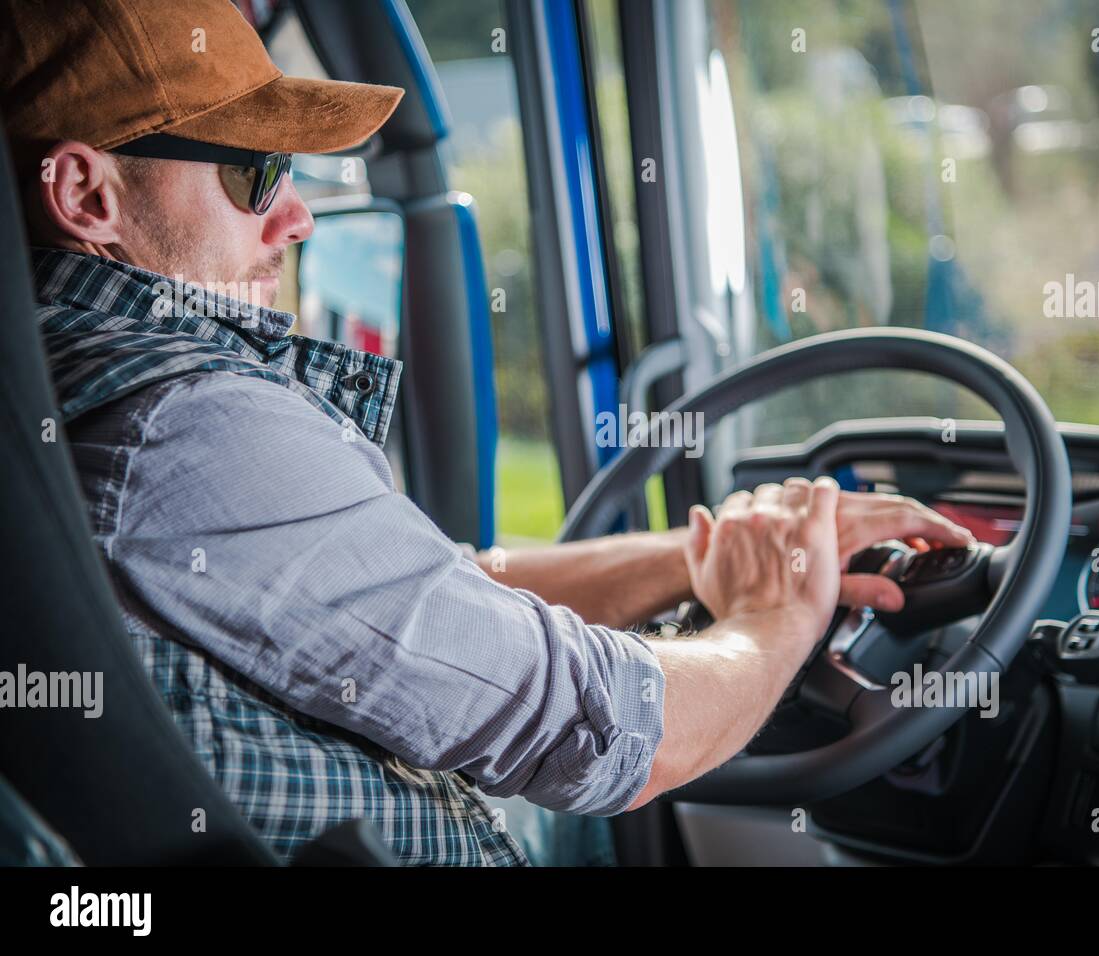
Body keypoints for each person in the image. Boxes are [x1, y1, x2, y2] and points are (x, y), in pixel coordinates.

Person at [1, 0, 973, 864]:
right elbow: (600, 730)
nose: (296, 216)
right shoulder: (187, 423)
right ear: (88, 193)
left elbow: (426, 588)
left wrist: (697, 553)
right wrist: (778, 615)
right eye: (257, 172)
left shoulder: (54, 388)